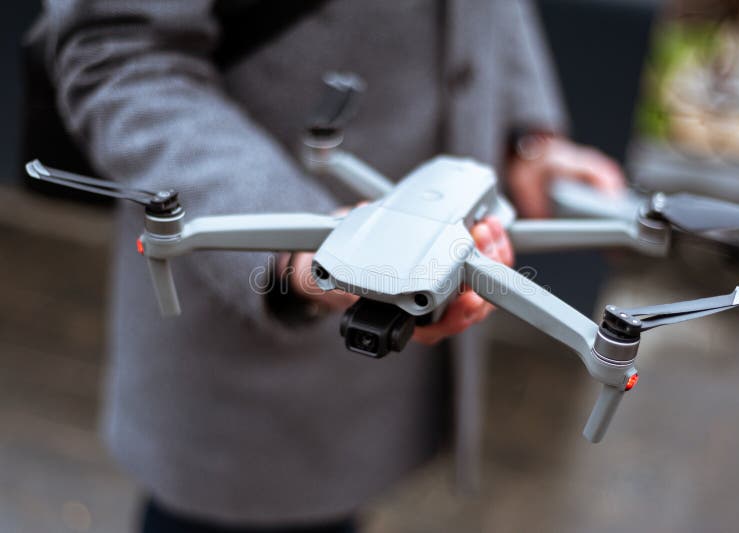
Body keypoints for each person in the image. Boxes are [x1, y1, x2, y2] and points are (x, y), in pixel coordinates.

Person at [42, 1, 624, 531]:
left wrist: (526, 134)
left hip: (373, 401)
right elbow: (117, 49)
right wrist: (305, 254)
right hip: (240, 390)